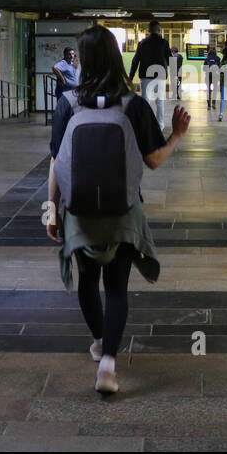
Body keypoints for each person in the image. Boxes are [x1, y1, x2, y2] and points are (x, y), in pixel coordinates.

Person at [47, 25, 190, 394]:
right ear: (117, 57)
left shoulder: (67, 103)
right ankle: (108, 366)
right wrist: (175, 135)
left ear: (82, 59)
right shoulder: (133, 104)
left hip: (79, 212)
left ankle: (98, 341)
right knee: (116, 288)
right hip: (123, 211)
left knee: (87, 281)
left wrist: (52, 209)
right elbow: (154, 160)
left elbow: (55, 160)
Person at [128, 20, 171, 131]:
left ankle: (145, 125)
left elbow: (135, 61)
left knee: (145, 101)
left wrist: (131, 77)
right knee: (160, 101)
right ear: (159, 30)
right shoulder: (164, 43)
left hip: (146, 76)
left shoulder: (142, 43)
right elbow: (170, 60)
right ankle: (160, 126)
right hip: (160, 76)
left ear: (149, 30)